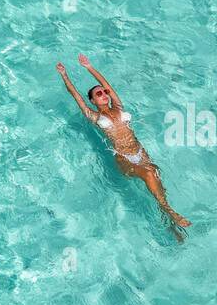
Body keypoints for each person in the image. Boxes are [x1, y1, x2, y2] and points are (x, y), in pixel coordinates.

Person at [57, 54, 191, 240]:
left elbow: (108, 86)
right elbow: (75, 95)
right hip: (123, 158)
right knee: (150, 174)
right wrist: (64, 75)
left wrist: (89, 67)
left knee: (158, 185)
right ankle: (170, 212)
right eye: (99, 94)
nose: (104, 95)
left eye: (104, 92)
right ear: (93, 101)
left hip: (140, 152)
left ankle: (171, 226)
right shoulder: (94, 116)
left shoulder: (118, 107)